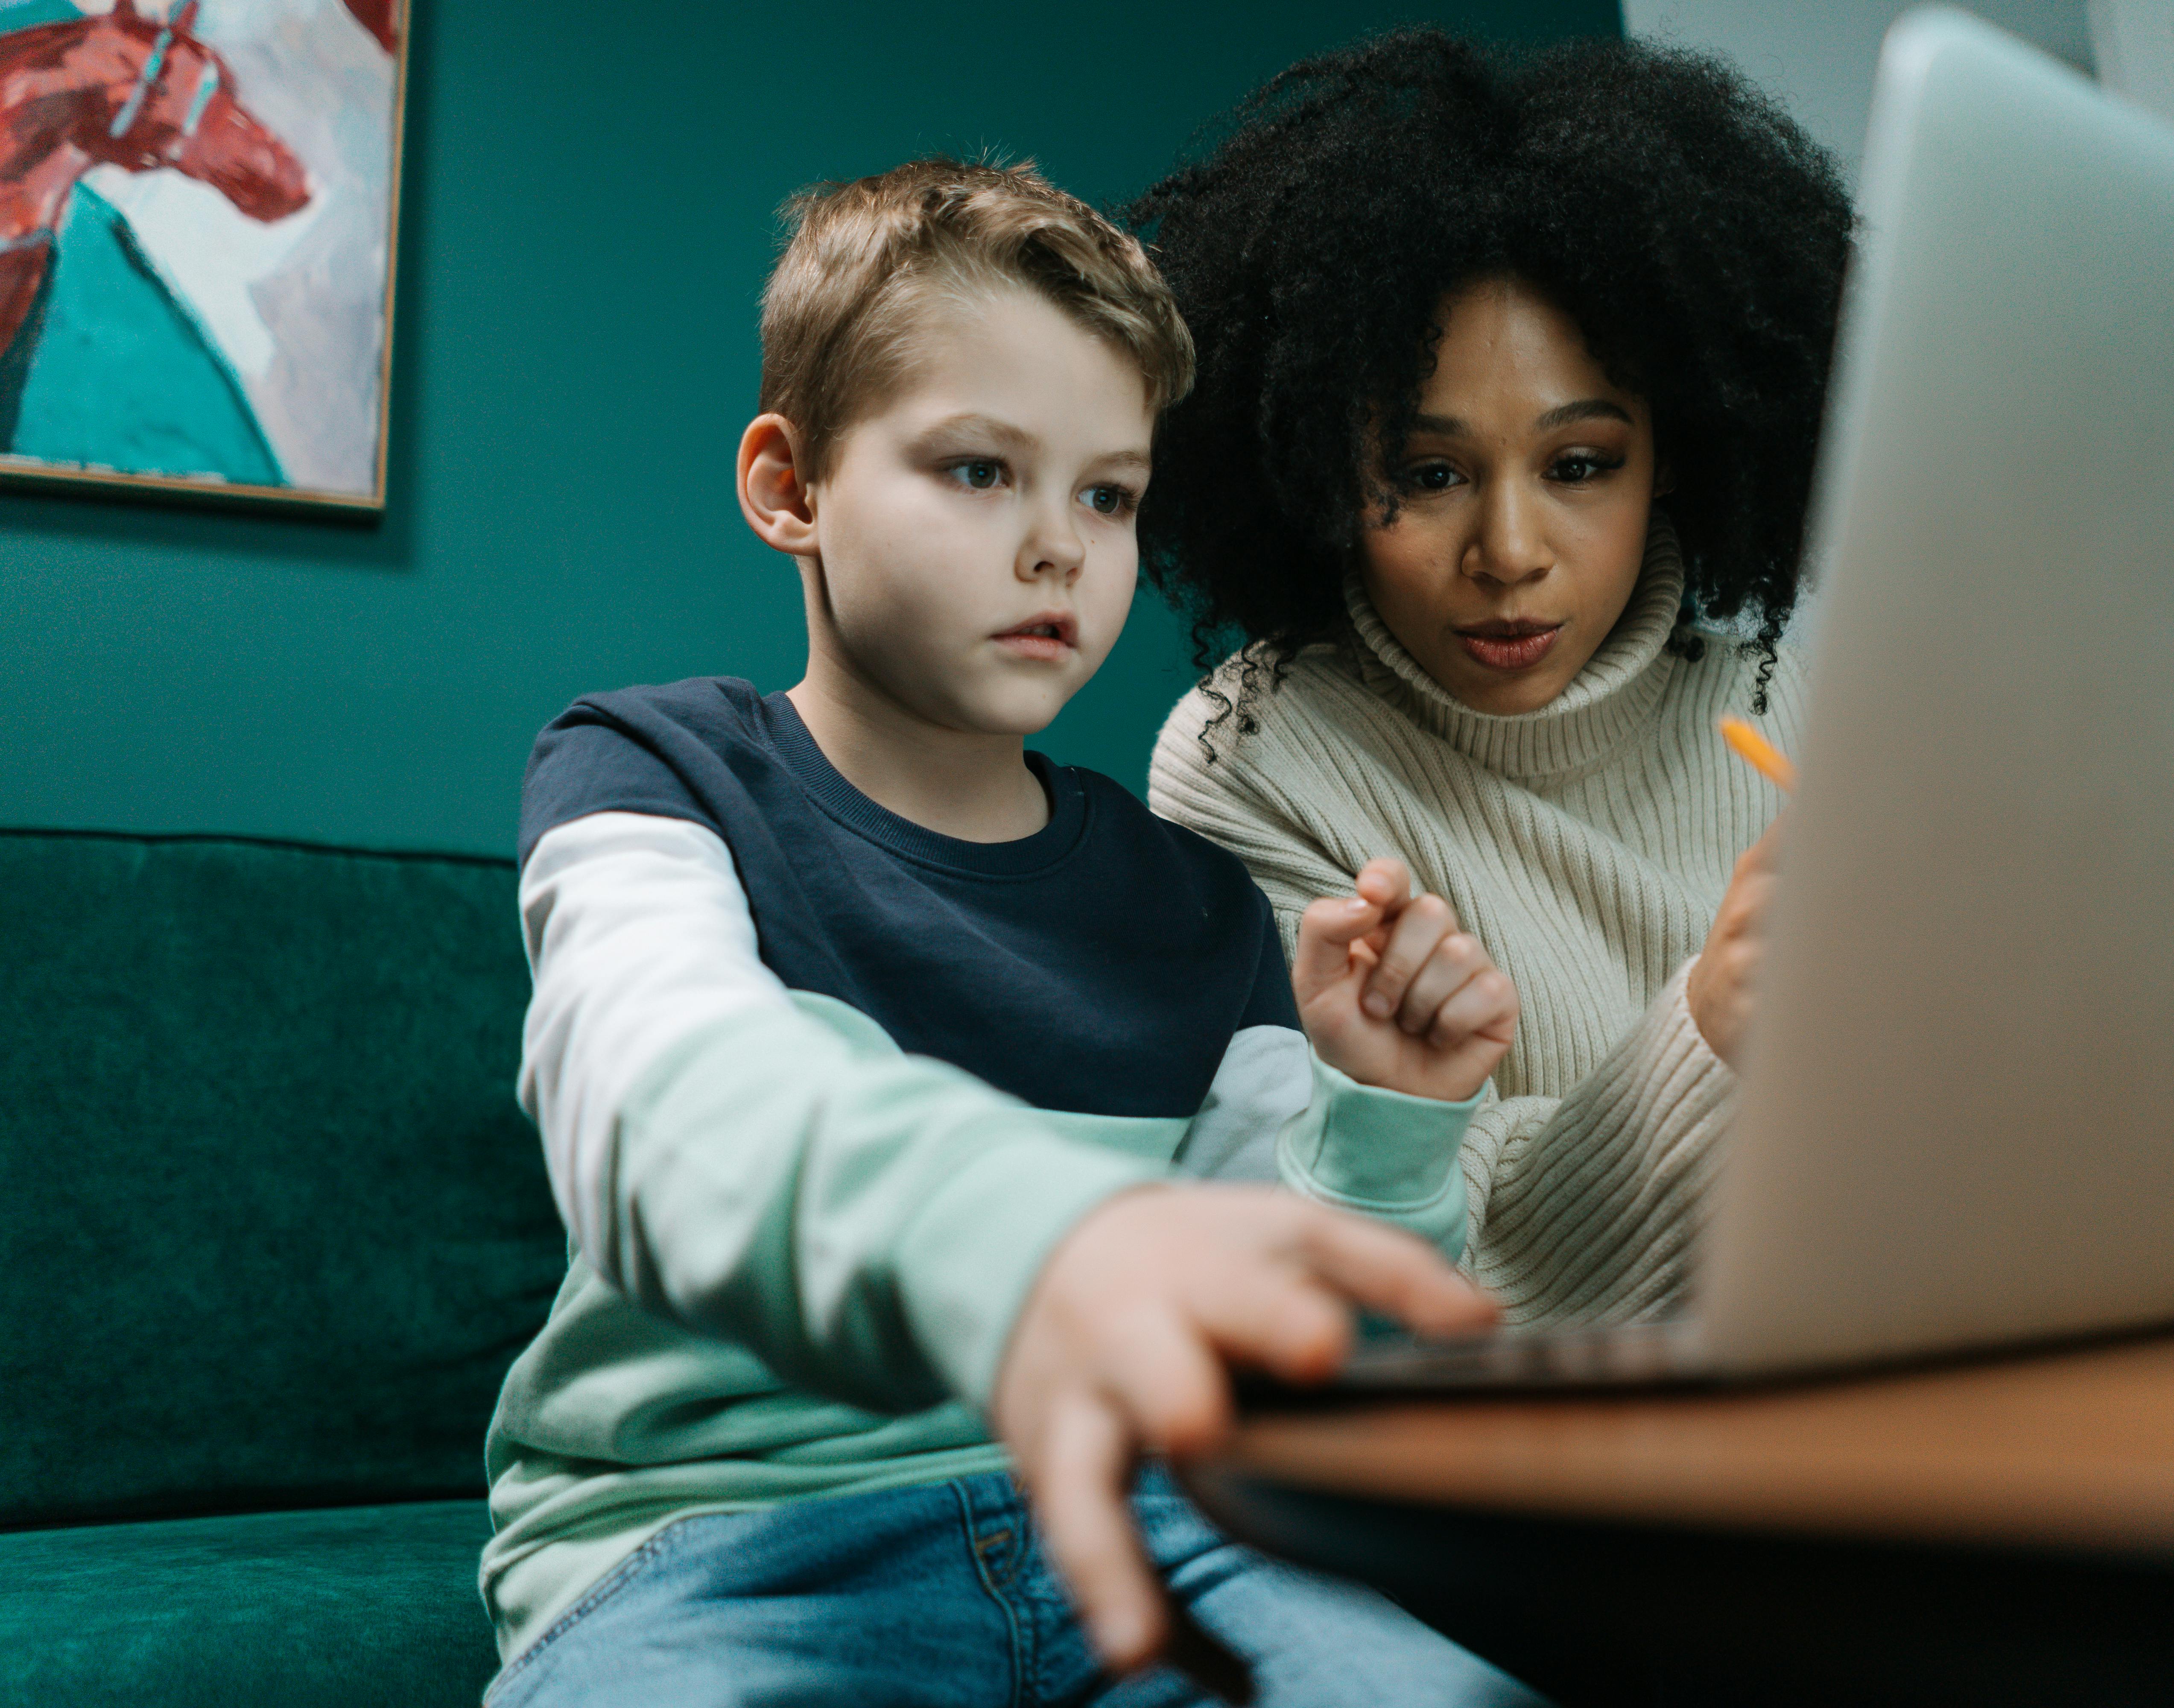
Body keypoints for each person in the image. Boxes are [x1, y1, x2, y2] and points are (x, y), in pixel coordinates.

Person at [478, 157, 1545, 1708]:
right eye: (981, 471)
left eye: (1108, 495)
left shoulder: (1199, 904)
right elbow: (657, 1100)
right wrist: (1041, 1241)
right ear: (791, 489)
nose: (1060, 546)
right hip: (718, 1551)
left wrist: (1383, 1120)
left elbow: (1292, 1394)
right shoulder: (655, 775)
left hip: (1164, 1536)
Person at [1137, 30, 1854, 1326]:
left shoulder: (1803, 711)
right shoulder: (1257, 761)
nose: (1510, 555)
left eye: (1580, 465)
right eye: (1429, 475)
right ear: (1312, 467)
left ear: (1681, 453)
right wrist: (1710, 1029)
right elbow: (1429, 1280)